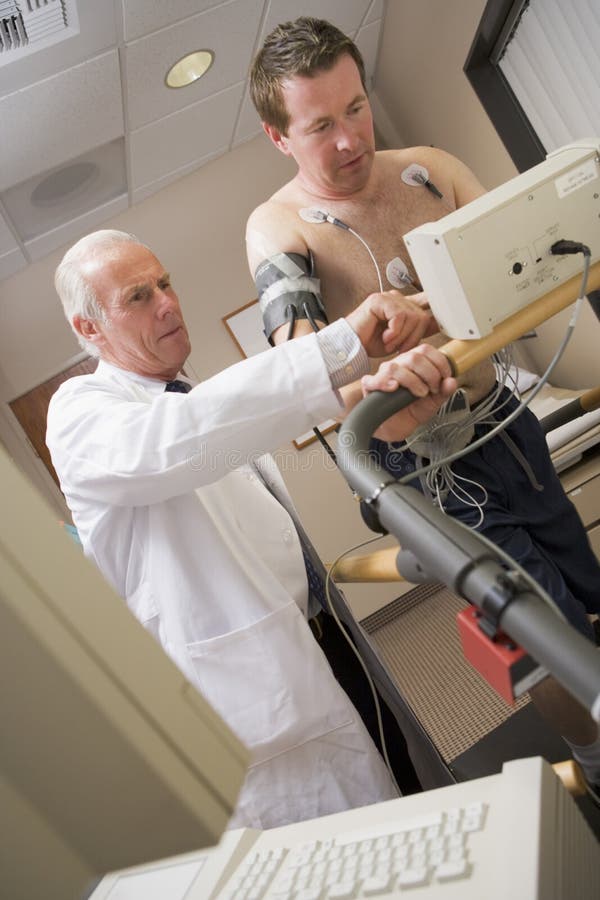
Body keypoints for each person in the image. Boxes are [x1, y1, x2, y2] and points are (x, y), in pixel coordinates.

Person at [246, 16, 600, 802]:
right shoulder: (280, 226)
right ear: (280, 137)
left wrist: (427, 314)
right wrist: (373, 350)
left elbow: (533, 266)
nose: (348, 140)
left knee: (582, 580)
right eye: (319, 126)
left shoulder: (429, 172)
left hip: (502, 426)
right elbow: (298, 352)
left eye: (355, 108)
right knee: (541, 627)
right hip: (422, 470)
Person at [46, 229, 457, 830]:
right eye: (138, 296)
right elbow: (175, 443)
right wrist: (342, 343)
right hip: (253, 688)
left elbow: (220, 439)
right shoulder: (81, 410)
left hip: (320, 634)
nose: (167, 302)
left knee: (401, 786)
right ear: (90, 330)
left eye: (165, 283)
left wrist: (370, 390)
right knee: (340, 847)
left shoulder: (185, 393)